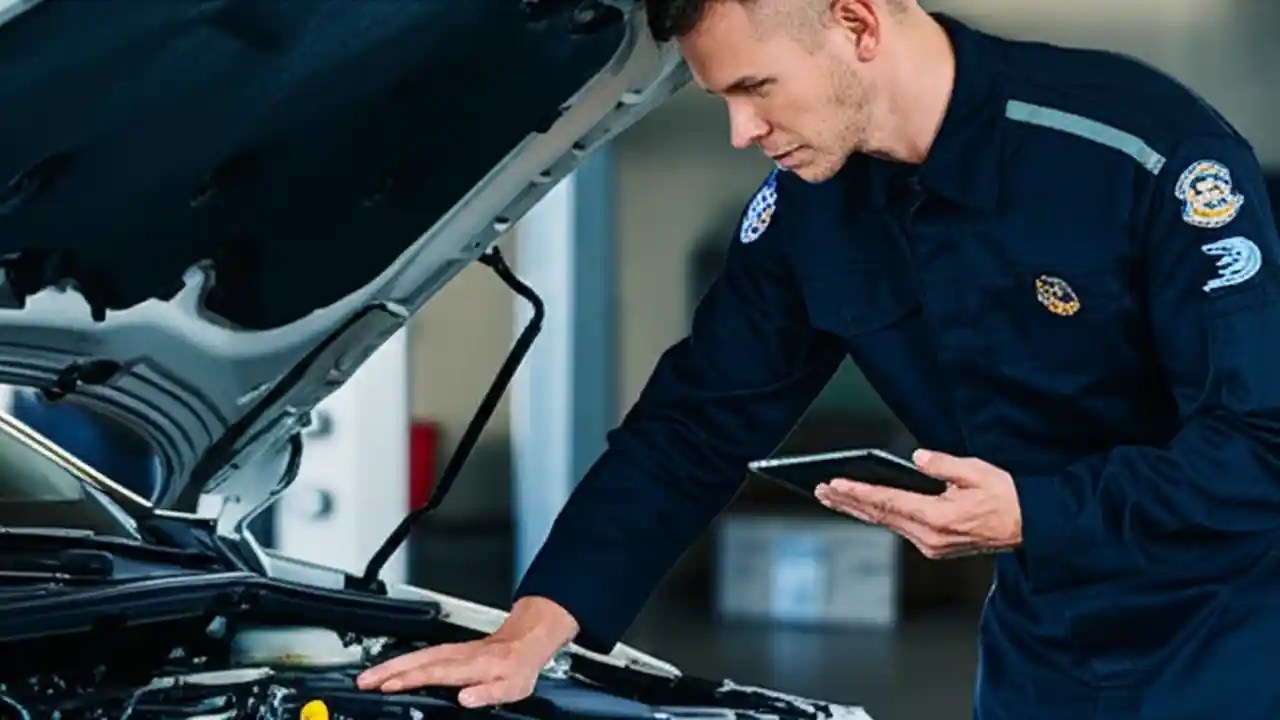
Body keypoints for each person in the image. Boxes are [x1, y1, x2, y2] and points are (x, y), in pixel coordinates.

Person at [359, 0, 1280, 716]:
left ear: (856, 23)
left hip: (1232, 637)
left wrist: (1035, 511)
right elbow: (691, 427)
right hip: (1042, 649)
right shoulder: (811, 209)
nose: (740, 131)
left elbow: (1259, 448)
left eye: (755, 88)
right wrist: (534, 631)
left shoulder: (1145, 153)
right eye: (722, 99)